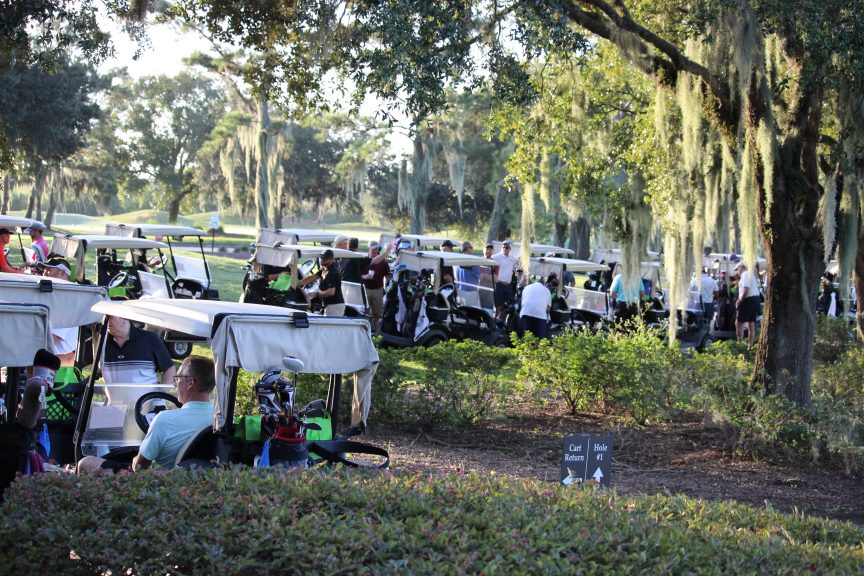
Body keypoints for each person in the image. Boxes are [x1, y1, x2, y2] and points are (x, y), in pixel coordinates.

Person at [77, 355, 215, 473]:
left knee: (85, 463)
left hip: (159, 482)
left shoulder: (165, 419)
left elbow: (139, 467)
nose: (175, 384)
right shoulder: (222, 420)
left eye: (178, 378)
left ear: (190, 383)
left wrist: (134, 459)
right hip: (196, 481)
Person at [102, 315, 176, 386]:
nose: (106, 320)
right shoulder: (103, 343)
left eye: (110, 317)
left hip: (148, 399)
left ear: (124, 316)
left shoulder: (148, 338)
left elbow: (170, 369)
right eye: (104, 317)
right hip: (115, 399)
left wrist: (161, 393)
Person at [360, 240, 392, 331]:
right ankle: (365, 330)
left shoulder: (383, 261)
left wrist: (388, 283)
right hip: (365, 289)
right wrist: (365, 277)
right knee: (364, 312)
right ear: (368, 249)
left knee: (377, 313)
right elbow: (357, 275)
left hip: (378, 290)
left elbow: (387, 275)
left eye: (377, 249)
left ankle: (376, 331)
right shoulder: (364, 260)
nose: (375, 251)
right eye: (373, 249)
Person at [735, 261, 761, 348]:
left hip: (748, 300)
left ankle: (740, 344)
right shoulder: (750, 274)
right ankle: (750, 346)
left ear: (742, 267)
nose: (737, 271)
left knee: (739, 322)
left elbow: (746, 289)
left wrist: (739, 300)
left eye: (737, 269)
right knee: (751, 322)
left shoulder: (745, 274)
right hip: (756, 299)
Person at [492, 240, 518, 319]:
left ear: (510, 249)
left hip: (508, 285)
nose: (505, 249)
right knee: (498, 305)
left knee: (507, 305)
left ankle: (502, 322)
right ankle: (496, 322)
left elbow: (516, 269)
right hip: (499, 284)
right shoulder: (496, 257)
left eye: (507, 247)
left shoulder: (512, 258)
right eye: (503, 247)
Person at [316, 249, 345, 316]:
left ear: (331, 260)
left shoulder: (331, 272)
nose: (322, 260)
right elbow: (313, 277)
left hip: (334, 306)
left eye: (325, 259)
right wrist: (298, 283)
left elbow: (331, 292)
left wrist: (316, 294)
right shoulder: (324, 269)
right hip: (330, 305)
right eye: (321, 258)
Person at [456, 241, 481, 307]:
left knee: (462, 310)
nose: (472, 249)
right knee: (472, 312)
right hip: (471, 291)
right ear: (467, 248)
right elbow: (478, 275)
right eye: (471, 247)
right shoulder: (474, 260)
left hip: (460, 290)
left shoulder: (457, 260)